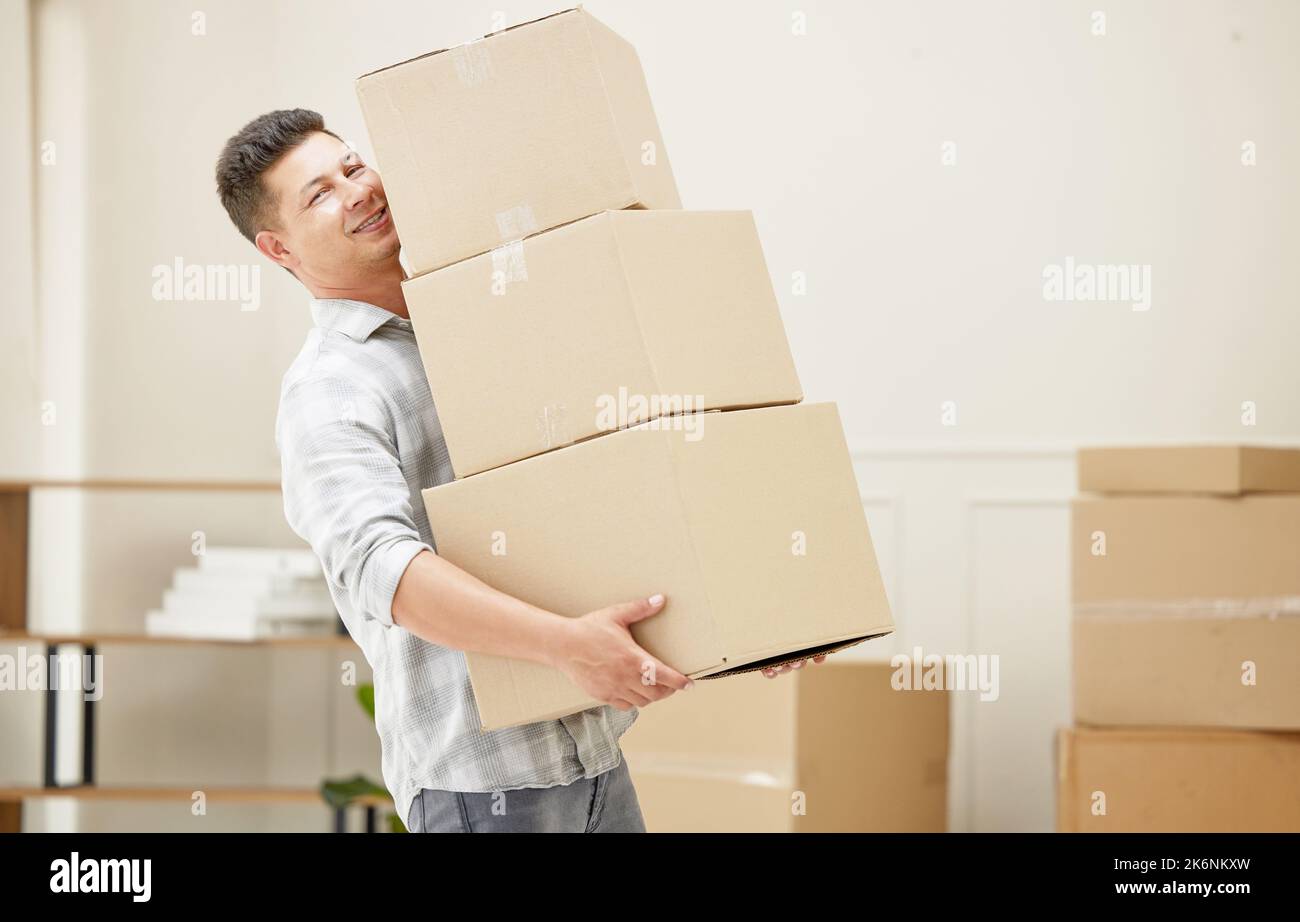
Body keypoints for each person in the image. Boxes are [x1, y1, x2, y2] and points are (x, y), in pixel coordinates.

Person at [214, 108, 824, 833]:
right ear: (279, 249)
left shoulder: (485, 328)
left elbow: (598, 490)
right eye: (319, 193)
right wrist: (568, 647)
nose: (357, 192)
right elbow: (387, 572)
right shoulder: (330, 389)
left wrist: (743, 625)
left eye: (353, 167)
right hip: (484, 787)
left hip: (593, 759)